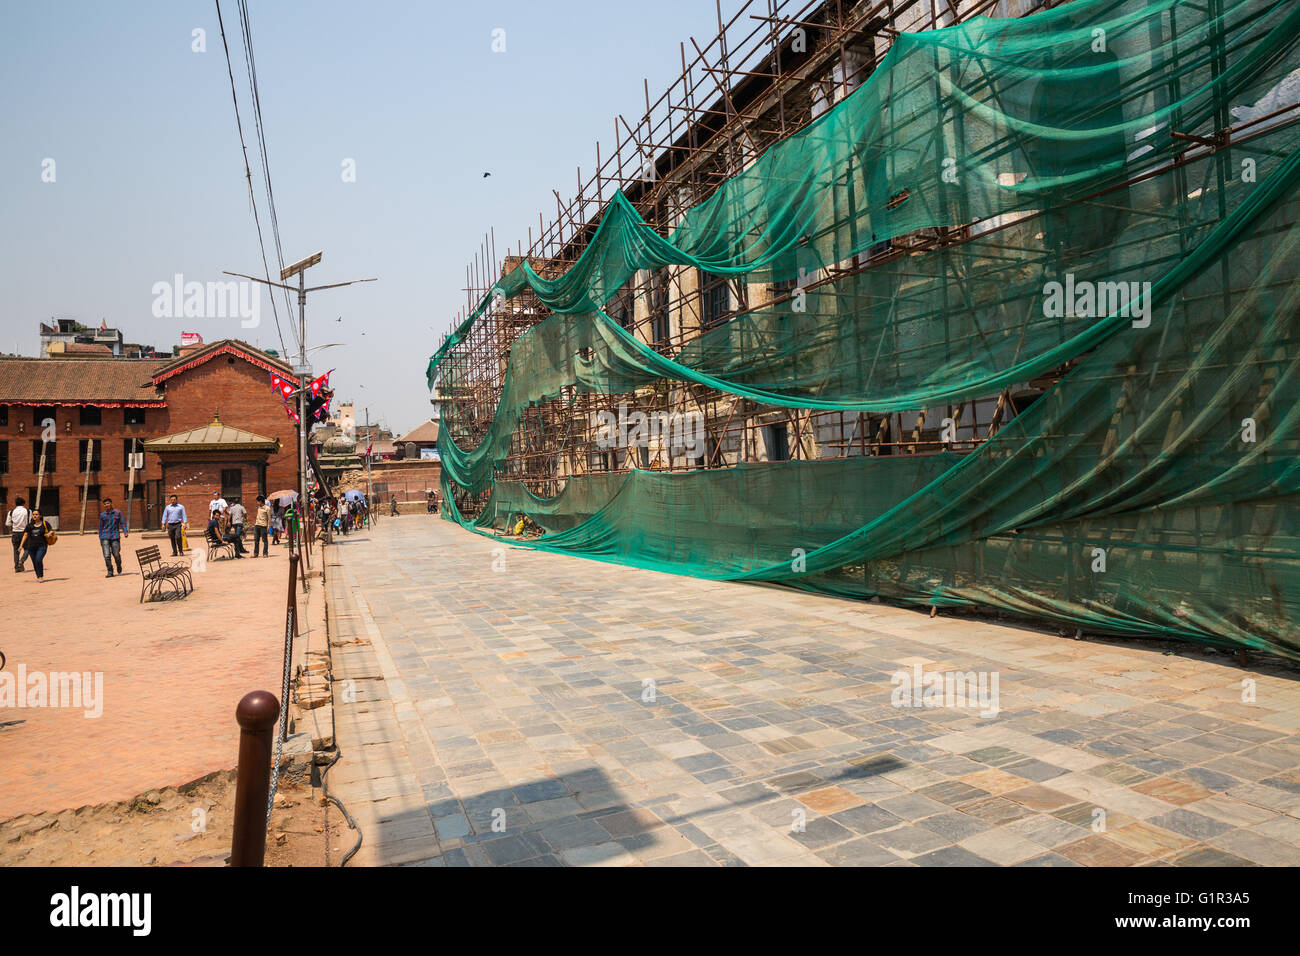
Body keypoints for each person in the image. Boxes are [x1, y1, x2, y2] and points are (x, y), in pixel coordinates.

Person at [19, 509, 52, 583]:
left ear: (40, 515)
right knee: (34, 562)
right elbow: (25, 534)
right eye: (33, 514)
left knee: (38, 560)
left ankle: (41, 576)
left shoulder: (45, 523)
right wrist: (21, 545)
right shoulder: (29, 525)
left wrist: (50, 533)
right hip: (31, 547)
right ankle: (38, 576)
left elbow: (51, 530)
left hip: (42, 546)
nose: (34, 516)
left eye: (36, 514)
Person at [99, 496, 127, 578]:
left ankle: (119, 565)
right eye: (105, 504)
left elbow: (122, 523)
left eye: (108, 503)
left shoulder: (118, 513)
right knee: (106, 555)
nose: (107, 505)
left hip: (115, 536)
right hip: (105, 537)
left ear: (111, 503)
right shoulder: (102, 515)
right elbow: (100, 527)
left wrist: (125, 532)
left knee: (116, 554)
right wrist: (100, 538)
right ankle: (110, 571)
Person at [6, 495, 29, 572]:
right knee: (28, 548)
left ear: (15, 504)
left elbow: (8, 523)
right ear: (24, 503)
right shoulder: (28, 511)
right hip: (24, 533)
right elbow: (30, 522)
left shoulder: (11, 512)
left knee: (16, 550)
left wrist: (15, 524)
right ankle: (21, 561)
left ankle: (17, 568)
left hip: (15, 533)